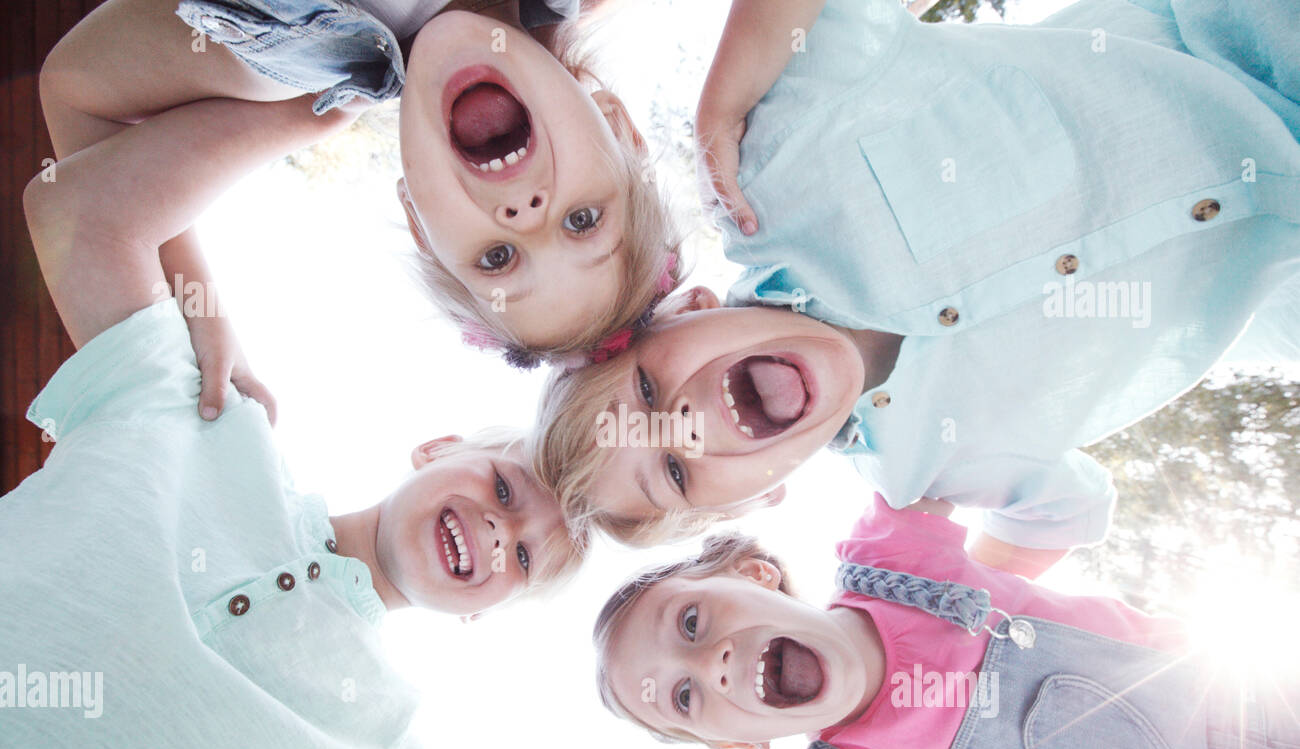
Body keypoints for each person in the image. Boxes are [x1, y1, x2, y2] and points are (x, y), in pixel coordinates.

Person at [6, 94, 585, 749]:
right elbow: (75, 194)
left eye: (521, 558)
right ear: (437, 447)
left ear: (485, 614)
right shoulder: (208, 411)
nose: (497, 529)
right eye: (505, 491)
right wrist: (331, 103)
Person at [528, 0, 1300, 573]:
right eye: (674, 470)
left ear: (689, 310)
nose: (690, 428)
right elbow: (1062, 515)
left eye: (653, 395)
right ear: (753, 500)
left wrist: (724, 100)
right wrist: (944, 615)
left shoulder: (778, 165)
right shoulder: (926, 469)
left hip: (1246, 37)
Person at [460, 496, 1296, 749]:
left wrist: (1042, 514)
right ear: (741, 744)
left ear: (754, 572)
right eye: (684, 699)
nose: (707, 664)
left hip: (1260, 711)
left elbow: (940, 395)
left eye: (690, 623)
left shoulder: (890, 557)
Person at [38, 0, 684, 412]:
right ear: (618, 127)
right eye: (582, 221)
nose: (528, 214)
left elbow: (78, 92)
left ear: (419, 224)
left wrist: (190, 286)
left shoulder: (274, 63)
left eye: (497, 258)